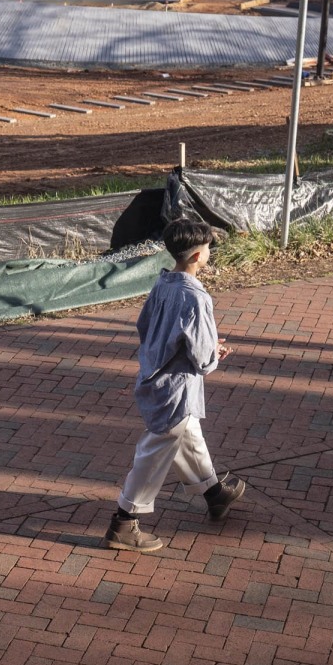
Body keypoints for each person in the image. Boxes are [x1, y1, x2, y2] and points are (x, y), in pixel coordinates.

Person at [103, 219, 248, 553]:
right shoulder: (197, 297)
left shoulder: (164, 283)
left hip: (154, 378)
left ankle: (214, 493)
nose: (210, 253)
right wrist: (213, 352)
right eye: (209, 248)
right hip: (177, 389)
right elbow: (200, 355)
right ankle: (124, 522)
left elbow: (147, 326)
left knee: (188, 436)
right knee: (154, 451)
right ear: (198, 255)